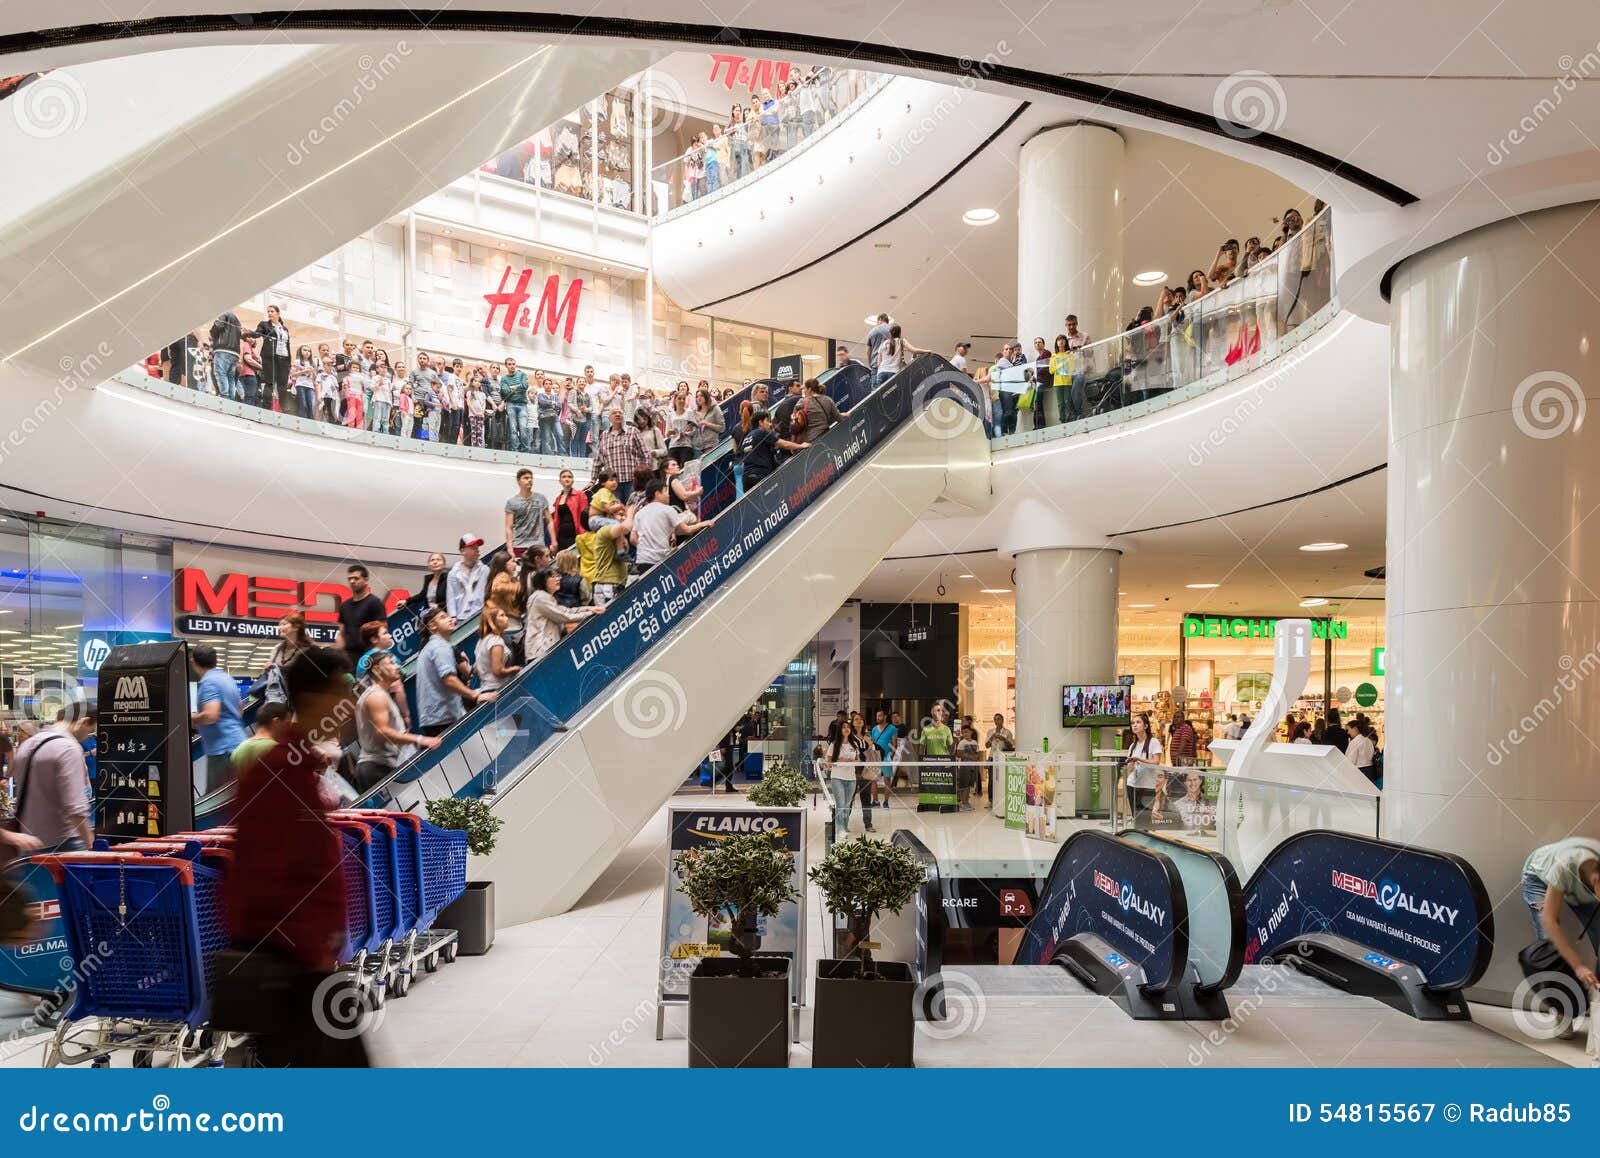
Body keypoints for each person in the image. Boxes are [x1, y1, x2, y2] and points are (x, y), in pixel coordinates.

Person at [221, 647, 367, 1067]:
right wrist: (310, 946)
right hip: (295, 966)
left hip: (309, 961)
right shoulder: (279, 769)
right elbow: (261, 869)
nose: (351, 702)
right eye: (343, 691)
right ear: (315, 698)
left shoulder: (299, 765)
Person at [8, 707, 94, 853]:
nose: (88, 737)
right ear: (84, 721)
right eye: (90, 731)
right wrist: (90, 843)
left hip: (29, 842)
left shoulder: (27, 745)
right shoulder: (68, 748)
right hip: (65, 843)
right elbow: (75, 809)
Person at [1522, 837, 1600, 994]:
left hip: (1578, 882)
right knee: (1550, 946)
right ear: (1596, 880)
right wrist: (1578, 966)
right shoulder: (1565, 867)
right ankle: (1562, 1007)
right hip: (1538, 875)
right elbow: (1549, 920)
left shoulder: (1594, 874)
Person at [416, 607, 492, 737]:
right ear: (433, 626)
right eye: (443, 617)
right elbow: (449, 679)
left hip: (435, 718)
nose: (450, 619)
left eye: (448, 616)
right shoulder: (439, 647)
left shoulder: (431, 647)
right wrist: (475, 696)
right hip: (441, 719)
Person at [191, 644, 247, 791]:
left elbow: (211, 715)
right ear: (216, 661)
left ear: (194, 662)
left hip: (222, 750)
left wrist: (191, 718)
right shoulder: (226, 678)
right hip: (238, 744)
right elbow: (240, 709)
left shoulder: (208, 682)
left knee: (217, 799)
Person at [632, 479, 713, 575]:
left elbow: (633, 538)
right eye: (666, 491)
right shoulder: (668, 510)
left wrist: (647, 548)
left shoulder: (639, 513)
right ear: (657, 494)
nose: (669, 494)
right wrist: (703, 524)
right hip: (658, 561)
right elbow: (687, 530)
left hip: (642, 561)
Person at [525, 567, 599, 662]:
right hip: (540, 652)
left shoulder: (545, 597)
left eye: (557, 576)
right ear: (542, 581)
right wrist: (591, 613)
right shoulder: (540, 598)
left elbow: (567, 611)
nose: (558, 579)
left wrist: (589, 608)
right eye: (552, 576)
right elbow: (564, 616)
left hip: (543, 651)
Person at [575, 502, 633, 608]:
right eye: (619, 515)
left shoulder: (614, 535)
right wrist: (631, 513)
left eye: (623, 515)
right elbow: (626, 527)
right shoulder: (605, 530)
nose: (622, 517)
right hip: (608, 584)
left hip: (611, 583)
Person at [739, 409, 808, 490]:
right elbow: (784, 444)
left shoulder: (746, 438)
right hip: (759, 477)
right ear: (760, 422)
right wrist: (800, 446)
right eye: (767, 421)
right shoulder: (761, 432)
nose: (770, 424)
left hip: (746, 480)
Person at [336, 563, 387, 667]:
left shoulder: (375, 603)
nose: (352, 581)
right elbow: (341, 633)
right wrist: (339, 655)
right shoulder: (344, 606)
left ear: (366, 580)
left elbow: (382, 630)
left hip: (368, 657)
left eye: (356, 578)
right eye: (349, 579)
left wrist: (376, 655)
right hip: (349, 658)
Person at [828, 719, 873, 833]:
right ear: (840, 730)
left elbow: (858, 760)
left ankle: (844, 826)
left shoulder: (854, 745)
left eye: (848, 727)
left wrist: (852, 760)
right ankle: (840, 828)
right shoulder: (834, 744)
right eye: (843, 727)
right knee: (841, 804)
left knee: (847, 804)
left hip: (851, 778)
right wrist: (840, 760)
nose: (846, 729)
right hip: (837, 777)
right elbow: (829, 762)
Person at [264, 611, 314, 703]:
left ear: (296, 627)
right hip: (277, 699)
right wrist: (268, 668)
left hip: (301, 700)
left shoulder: (307, 651)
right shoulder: (276, 649)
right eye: (279, 625)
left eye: (284, 624)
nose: (280, 627)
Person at [1124, 711, 1163, 825]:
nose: (1135, 725)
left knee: (1146, 820)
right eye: (1133, 723)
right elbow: (1129, 769)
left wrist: (1138, 759)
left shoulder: (1153, 742)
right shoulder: (1133, 745)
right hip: (1132, 784)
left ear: (1145, 726)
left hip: (1147, 785)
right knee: (1136, 818)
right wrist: (1130, 763)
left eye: (1138, 722)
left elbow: (1156, 762)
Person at [474, 607, 522, 694]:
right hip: (498, 689)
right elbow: (497, 671)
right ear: (492, 621)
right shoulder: (496, 640)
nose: (507, 618)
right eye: (502, 616)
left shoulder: (481, 641)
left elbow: (477, 669)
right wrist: (514, 669)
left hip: (486, 688)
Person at [504, 467, 549, 560]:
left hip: (538, 544)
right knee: (523, 573)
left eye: (531, 478)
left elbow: (550, 520)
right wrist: (509, 547)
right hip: (519, 545)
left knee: (540, 573)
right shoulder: (511, 502)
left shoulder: (541, 498)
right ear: (518, 480)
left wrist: (553, 541)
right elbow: (509, 527)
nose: (529, 480)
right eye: (526, 478)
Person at [447, 534, 489, 621]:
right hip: (460, 618)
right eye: (473, 548)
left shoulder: (485, 570)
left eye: (477, 548)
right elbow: (450, 597)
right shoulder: (453, 573)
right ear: (463, 551)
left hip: (481, 615)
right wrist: (453, 616)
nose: (477, 550)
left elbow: (489, 592)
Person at [498, 356, 531, 453]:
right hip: (511, 404)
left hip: (523, 405)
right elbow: (505, 391)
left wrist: (513, 387)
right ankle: (515, 450)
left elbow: (525, 386)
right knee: (513, 429)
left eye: (513, 364)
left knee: (523, 428)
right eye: (509, 364)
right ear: (506, 366)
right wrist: (517, 388)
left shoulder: (522, 375)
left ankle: (525, 450)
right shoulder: (504, 379)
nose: (512, 366)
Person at [870, 709, 898, 807]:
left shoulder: (892, 728)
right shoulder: (874, 729)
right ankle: (875, 801)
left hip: (886, 757)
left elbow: (895, 744)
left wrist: (891, 755)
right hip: (875, 756)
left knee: (887, 779)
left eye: (880, 716)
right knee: (873, 779)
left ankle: (886, 802)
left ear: (885, 716)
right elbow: (872, 744)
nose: (878, 718)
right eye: (877, 716)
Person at [409, 551, 450, 615]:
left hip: (446, 615)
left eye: (438, 560)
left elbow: (454, 599)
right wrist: (406, 601)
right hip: (432, 616)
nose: (435, 562)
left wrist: (438, 605)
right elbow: (422, 595)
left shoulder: (449, 578)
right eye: (432, 560)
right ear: (429, 565)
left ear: (444, 564)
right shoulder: (428, 579)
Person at [1345, 721, 1378, 786]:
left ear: (1355, 728)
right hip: (1370, 771)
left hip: (1358, 773)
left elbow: (1351, 761)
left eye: (1349, 730)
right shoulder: (1368, 740)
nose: (1348, 732)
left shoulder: (1354, 742)